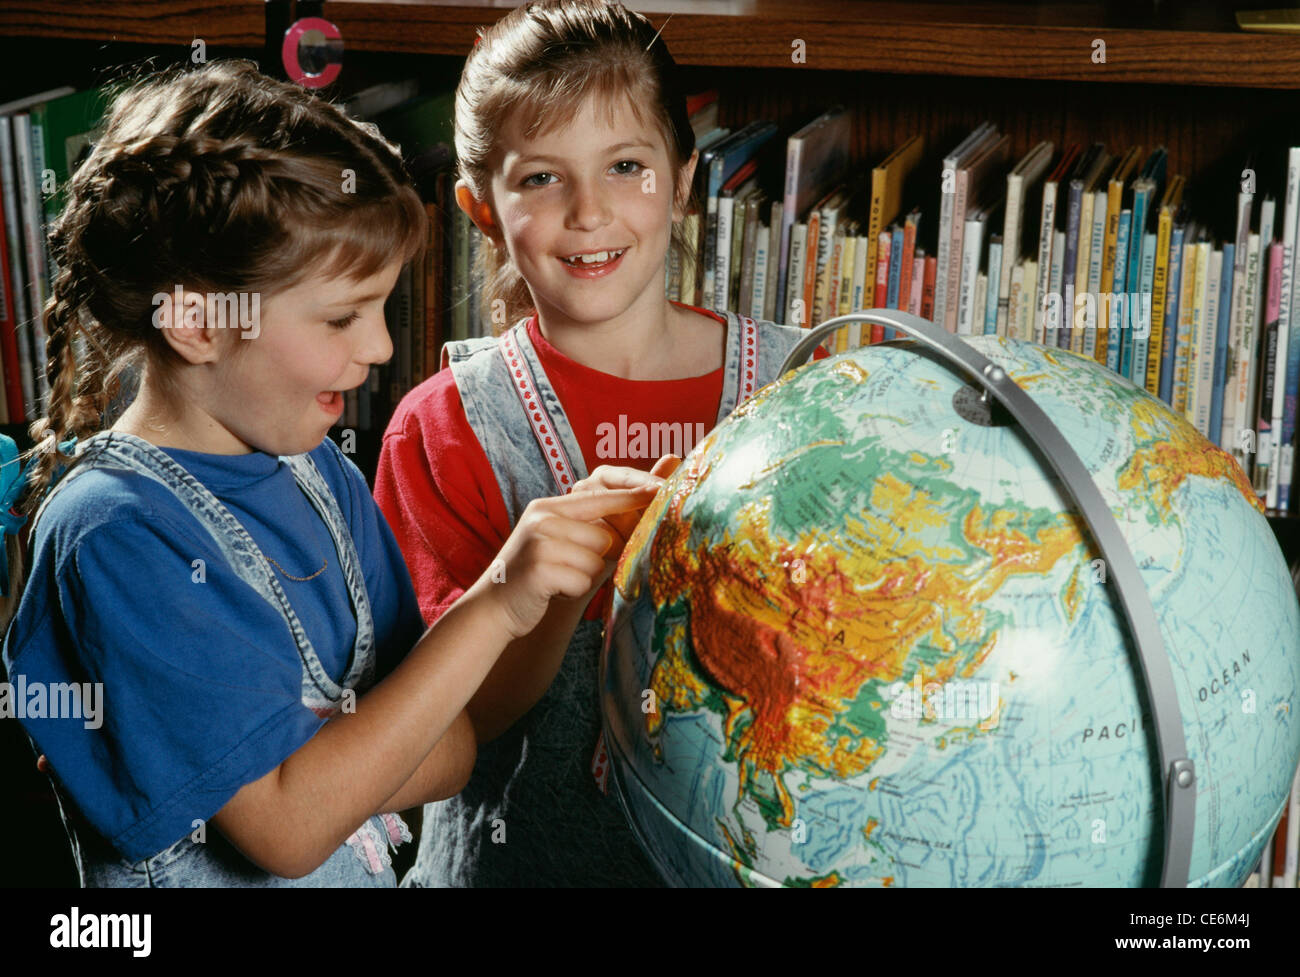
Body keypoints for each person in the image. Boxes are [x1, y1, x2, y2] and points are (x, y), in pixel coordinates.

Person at [0, 58, 662, 887]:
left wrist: (549, 581)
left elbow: (453, 734)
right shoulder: (115, 532)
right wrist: (490, 604)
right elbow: (289, 825)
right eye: (344, 316)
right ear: (198, 323)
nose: (382, 347)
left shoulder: (313, 468)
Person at [376, 0, 825, 887]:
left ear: (685, 179)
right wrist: (533, 593)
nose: (589, 213)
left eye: (627, 166)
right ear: (480, 209)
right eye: (541, 178)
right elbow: (440, 735)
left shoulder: (805, 388)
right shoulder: (442, 428)